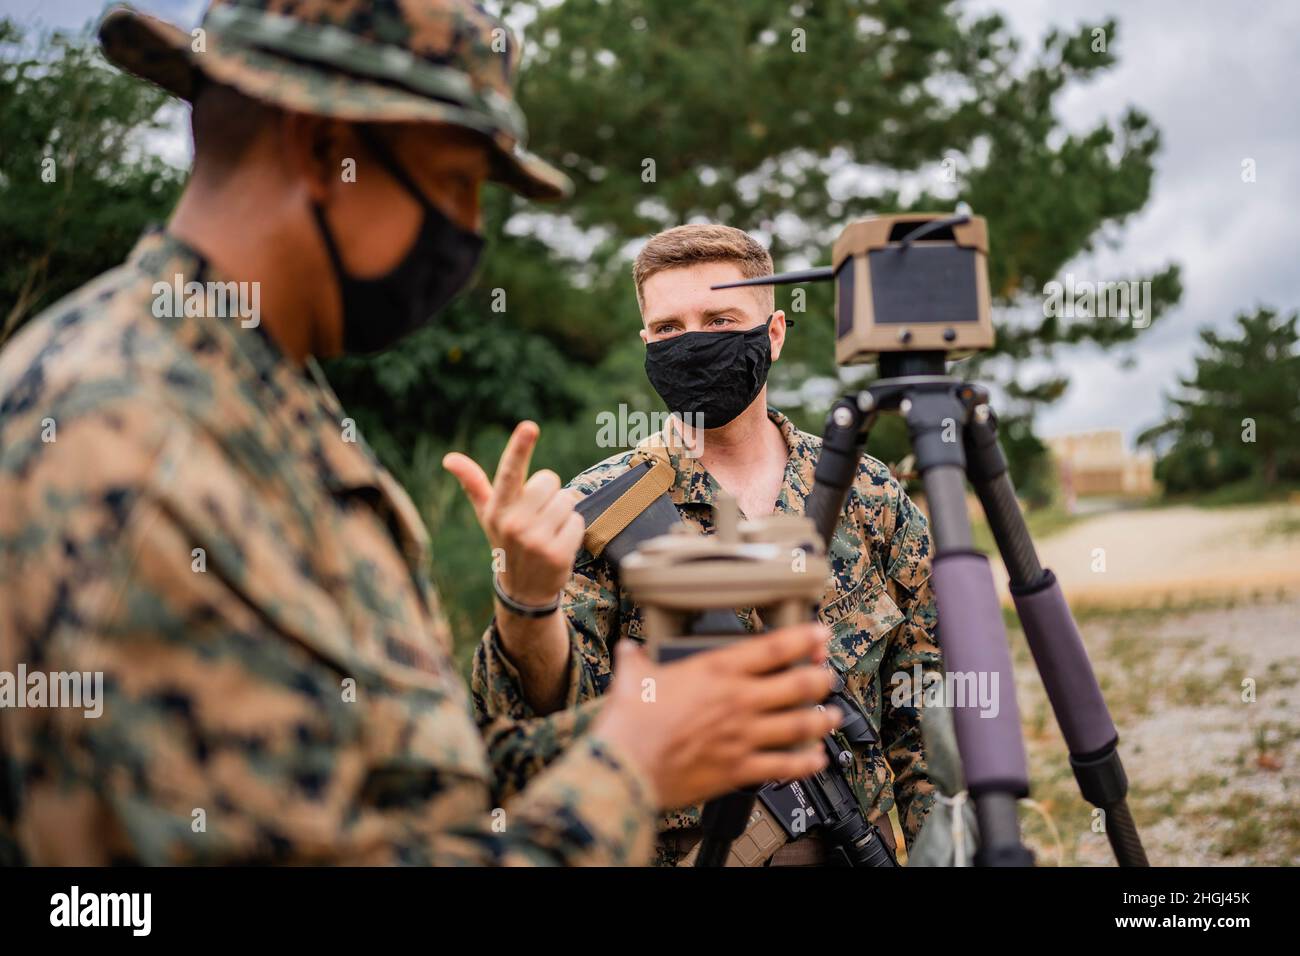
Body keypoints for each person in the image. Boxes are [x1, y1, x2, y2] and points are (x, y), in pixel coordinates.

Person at [0, 2, 841, 866]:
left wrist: (649, 730)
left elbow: (392, 772)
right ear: (329, 150)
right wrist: (626, 770)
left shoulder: (250, 395)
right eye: (453, 183)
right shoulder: (134, 439)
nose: (469, 232)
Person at [458, 225, 943, 865]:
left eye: (720, 319)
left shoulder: (868, 495)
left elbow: (923, 715)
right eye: (669, 328)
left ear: (772, 333)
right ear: (647, 344)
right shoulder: (600, 508)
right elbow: (534, 724)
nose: (693, 343)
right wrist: (525, 601)